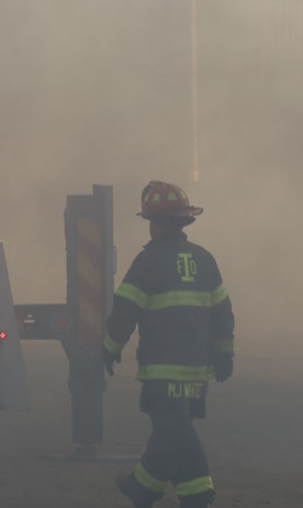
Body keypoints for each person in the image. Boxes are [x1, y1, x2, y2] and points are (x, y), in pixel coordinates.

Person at [104, 181, 235, 508]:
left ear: (156, 223)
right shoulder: (205, 260)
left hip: (161, 369)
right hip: (196, 371)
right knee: (176, 430)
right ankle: (170, 492)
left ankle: (169, 491)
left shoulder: (149, 261)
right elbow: (223, 313)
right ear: (183, 221)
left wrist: (110, 345)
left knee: (171, 432)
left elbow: (124, 309)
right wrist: (224, 354)